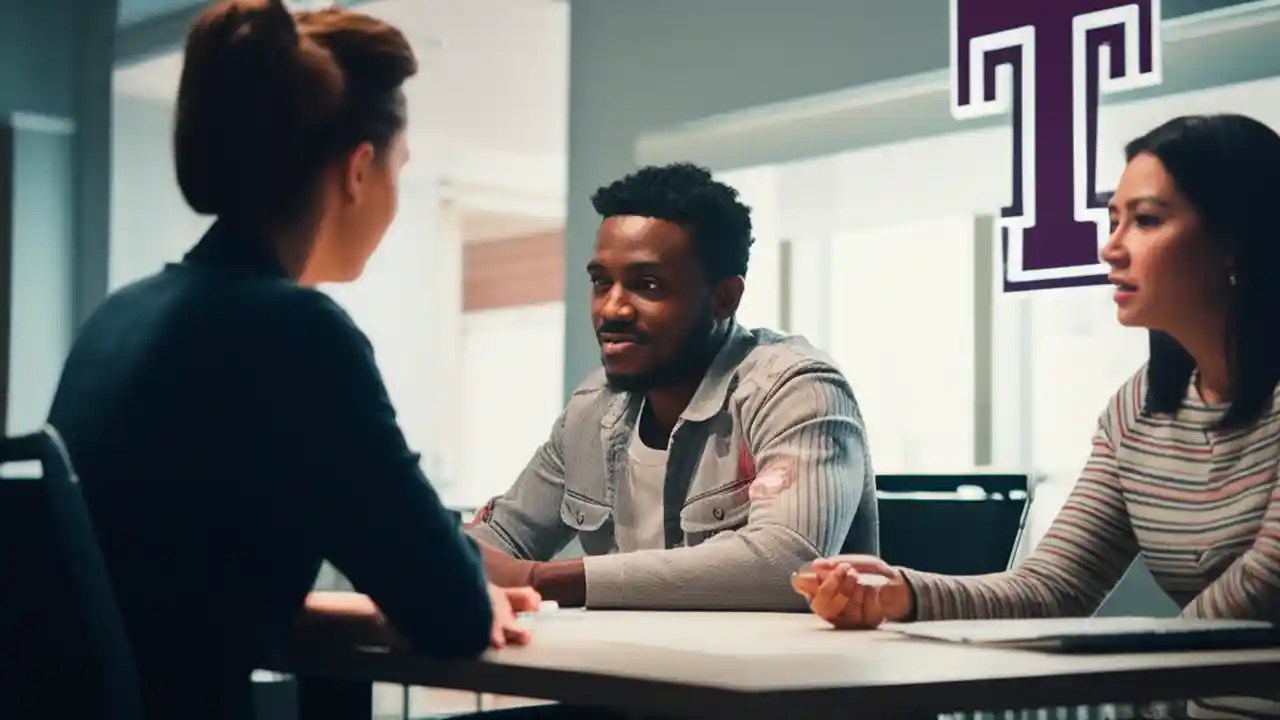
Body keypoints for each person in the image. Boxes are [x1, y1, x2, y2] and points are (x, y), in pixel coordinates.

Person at [46, 2, 535, 719]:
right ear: (360, 170)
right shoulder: (296, 335)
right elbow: (452, 609)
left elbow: (168, 586)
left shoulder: (117, 318)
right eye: (401, 166)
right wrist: (462, 589)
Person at [794, 114, 1280, 717]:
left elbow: (1263, 586)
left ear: (1239, 239)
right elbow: (1052, 589)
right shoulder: (1137, 410)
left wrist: (1139, 698)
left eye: (1148, 220)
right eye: (1114, 220)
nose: (1112, 245)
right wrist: (900, 592)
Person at [467, 163, 878, 610]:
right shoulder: (592, 409)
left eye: (647, 285)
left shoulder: (796, 389)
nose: (613, 308)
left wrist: (543, 579)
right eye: (601, 282)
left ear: (725, 297)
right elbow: (502, 537)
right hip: (632, 674)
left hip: (769, 676)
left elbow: (789, 563)